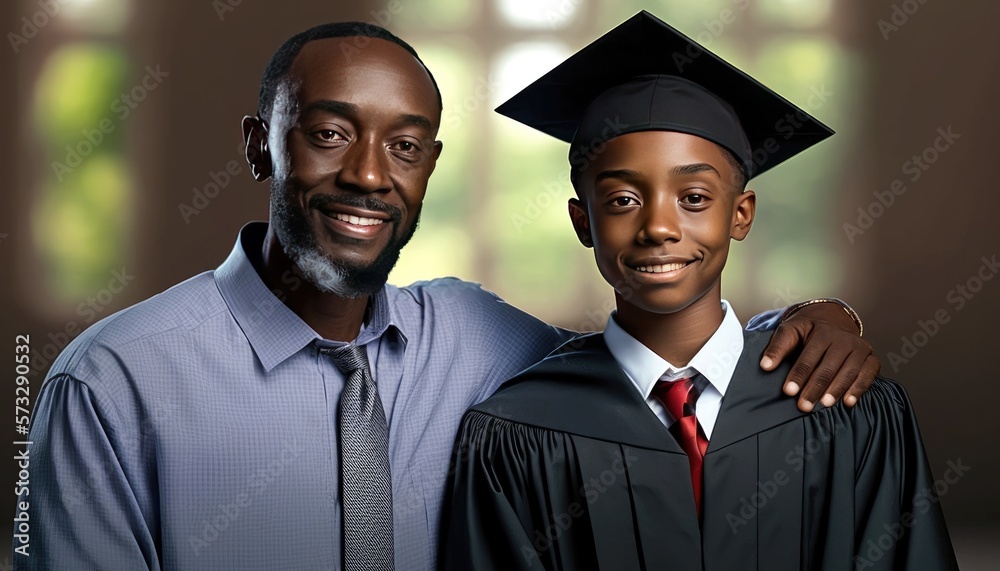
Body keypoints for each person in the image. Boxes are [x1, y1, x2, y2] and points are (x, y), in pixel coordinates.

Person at [17, 21, 879, 571]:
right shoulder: (113, 382)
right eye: (327, 134)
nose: (366, 174)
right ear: (259, 147)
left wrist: (807, 324)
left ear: (429, 168)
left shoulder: (474, 335)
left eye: (405, 146)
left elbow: (650, 357)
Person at [442, 11, 958, 571]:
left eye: (694, 198)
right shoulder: (514, 432)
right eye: (621, 200)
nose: (658, 227)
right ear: (582, 222)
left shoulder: (848, 407)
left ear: (741, 215)